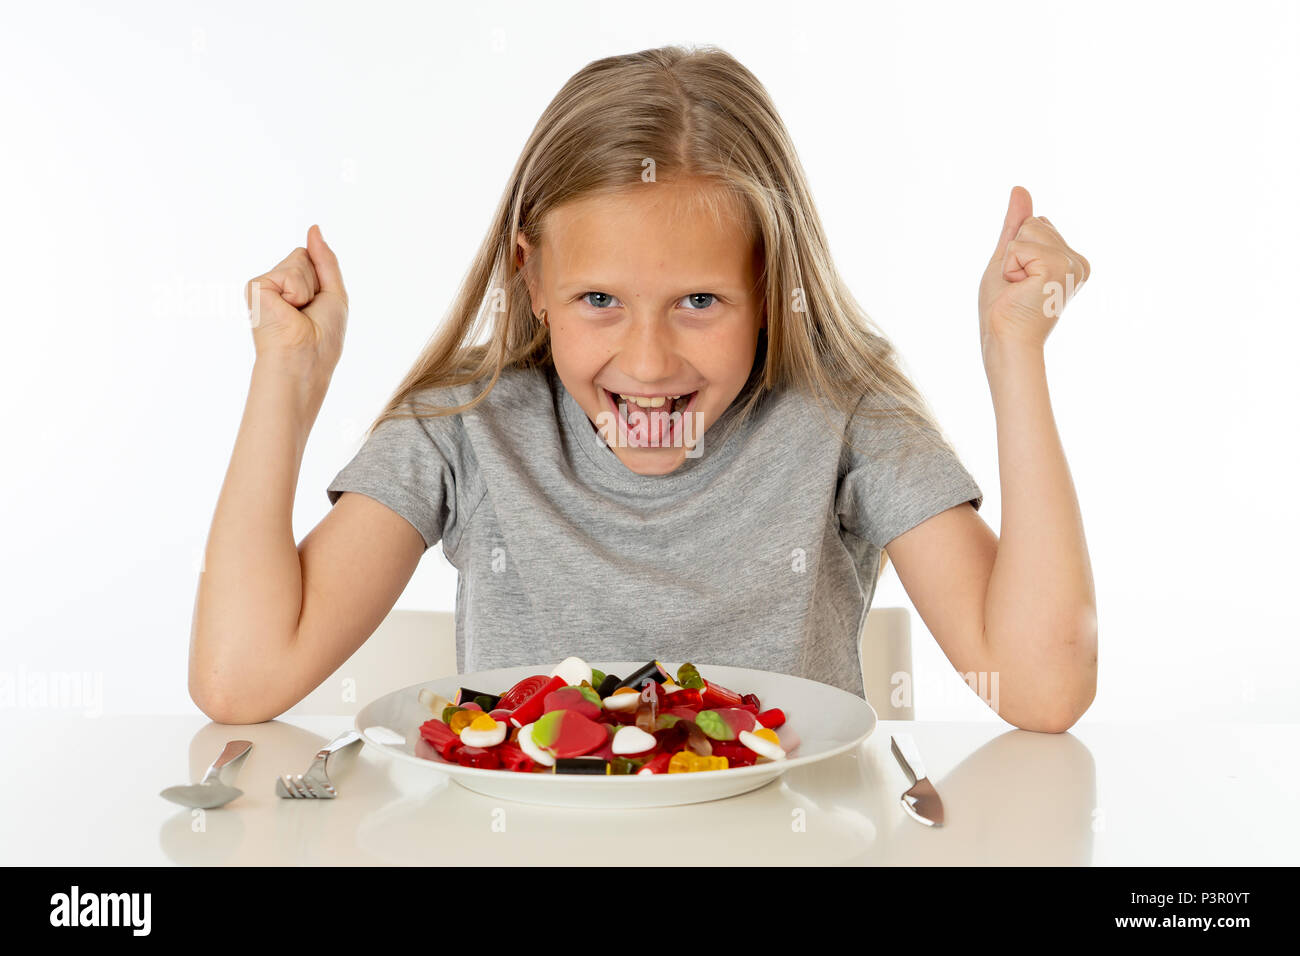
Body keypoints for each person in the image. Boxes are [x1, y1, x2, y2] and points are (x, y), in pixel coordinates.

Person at [189, 45, 1096, 731]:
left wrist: (1014, 353)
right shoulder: (468, 426)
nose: (651, 363)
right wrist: (287, 378)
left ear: (774, 283)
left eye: (700, 301)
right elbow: (240, 679)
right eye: (599, 301)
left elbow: (1043, 688)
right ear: (530, 280)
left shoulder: (841, 418)